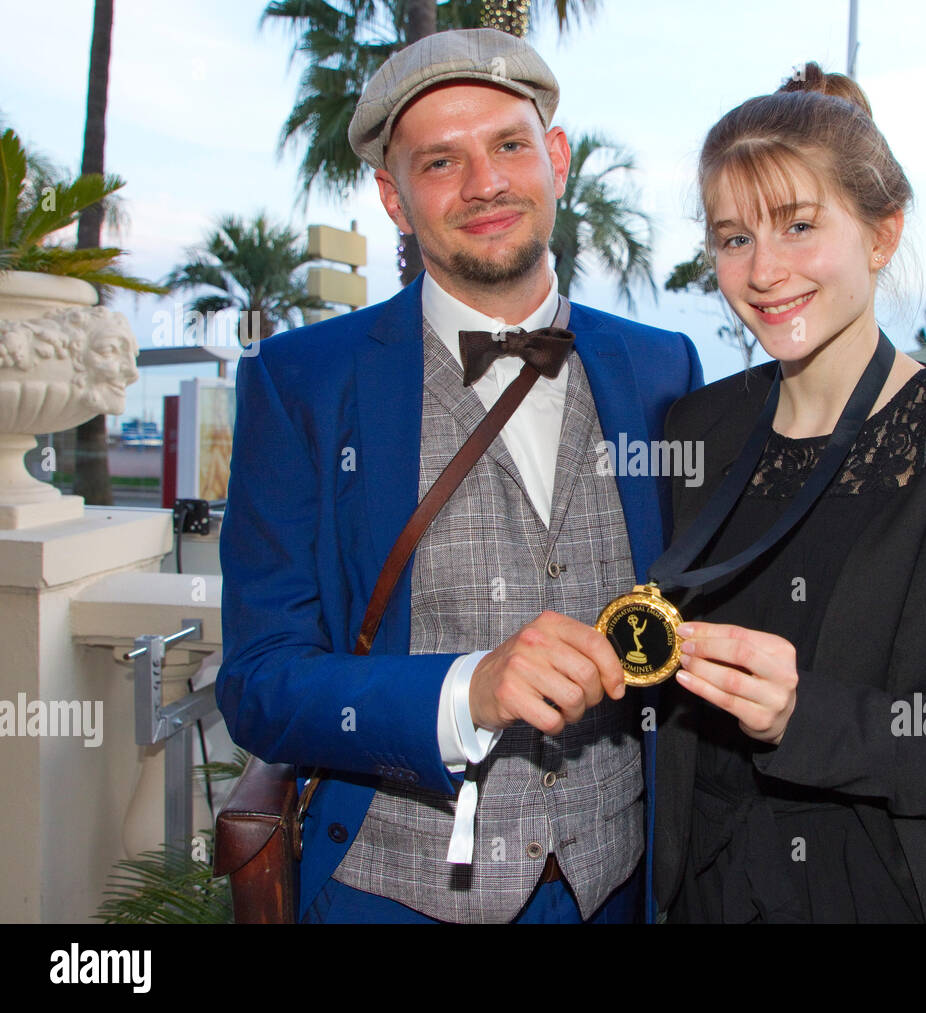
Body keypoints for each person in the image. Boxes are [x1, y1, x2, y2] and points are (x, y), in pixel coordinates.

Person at [215, 28, 702, 924]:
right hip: (390, 890)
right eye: (440, 162)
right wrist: (465, 689)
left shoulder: (663, 366)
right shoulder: (302, 382)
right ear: (394, 198)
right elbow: (259, 681)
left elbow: (713, 603)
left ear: (556, 158)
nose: (485, 183)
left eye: (510, 145)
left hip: (620, 882)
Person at [652, 63, 926, 923]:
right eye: (734, 238)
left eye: (798, 226)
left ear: (882, 235)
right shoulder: (694, 429)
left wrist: (806, 715)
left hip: (881, 892)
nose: (763, 270)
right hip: (696, 893)